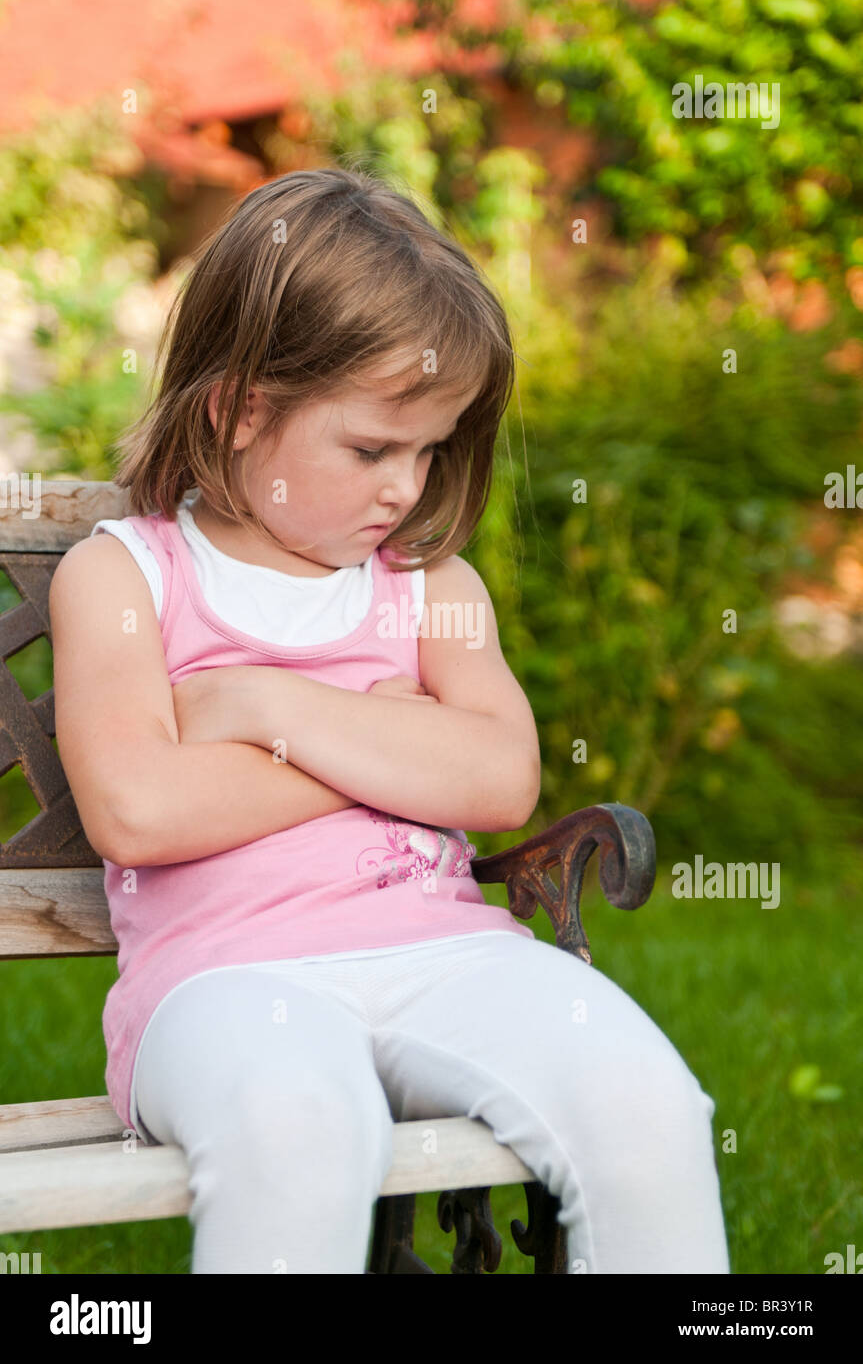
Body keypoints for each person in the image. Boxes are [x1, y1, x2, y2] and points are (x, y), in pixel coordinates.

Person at [50, 166, 730, 1275]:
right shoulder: (125, 579)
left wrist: (270, 706)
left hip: (445, 951)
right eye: (372, 448)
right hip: (222, 981)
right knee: (298, 1127)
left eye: (430, 449)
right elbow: (138, 807)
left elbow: (500, 780)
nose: (406, 489)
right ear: (237, 408)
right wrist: (387, 740)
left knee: (641, 1098)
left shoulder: (430, 588)